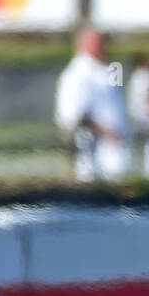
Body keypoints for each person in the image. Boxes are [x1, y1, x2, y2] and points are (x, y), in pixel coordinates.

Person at [54, 27, 131, 183]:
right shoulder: (76, 76)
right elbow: (72, 117)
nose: (106, 47)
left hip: (115, 156)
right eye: (101, 43)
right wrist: (106, 132)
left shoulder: (105, 71)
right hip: (95, 158)